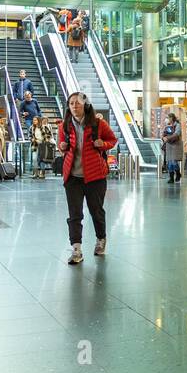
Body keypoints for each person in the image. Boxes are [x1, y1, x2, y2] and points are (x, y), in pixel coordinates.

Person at [58, 91, 118, 264]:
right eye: (71, 103)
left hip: (95, 176)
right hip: (73, 177)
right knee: (74, 214)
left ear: (85, 105)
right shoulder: (64, 126)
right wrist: (62, 146)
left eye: (77, 103)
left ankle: (101, 239)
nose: (74, 106)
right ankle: (76, 249)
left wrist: (103, 144)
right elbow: (63, 146)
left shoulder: (98, 124)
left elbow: (112, 140)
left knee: (96, 211)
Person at [162, 112, 183, 183]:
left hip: (176, 145)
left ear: (171, 118)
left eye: (168, 118)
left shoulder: (177, 125)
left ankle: (178, 174)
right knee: (169, 162)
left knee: (174, 161)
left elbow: (177, 134)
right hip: (169, 145)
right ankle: (171, 177)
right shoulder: (167, 126)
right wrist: (163, 138)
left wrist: (167, 138)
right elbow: (163, 134)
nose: (167, 119)